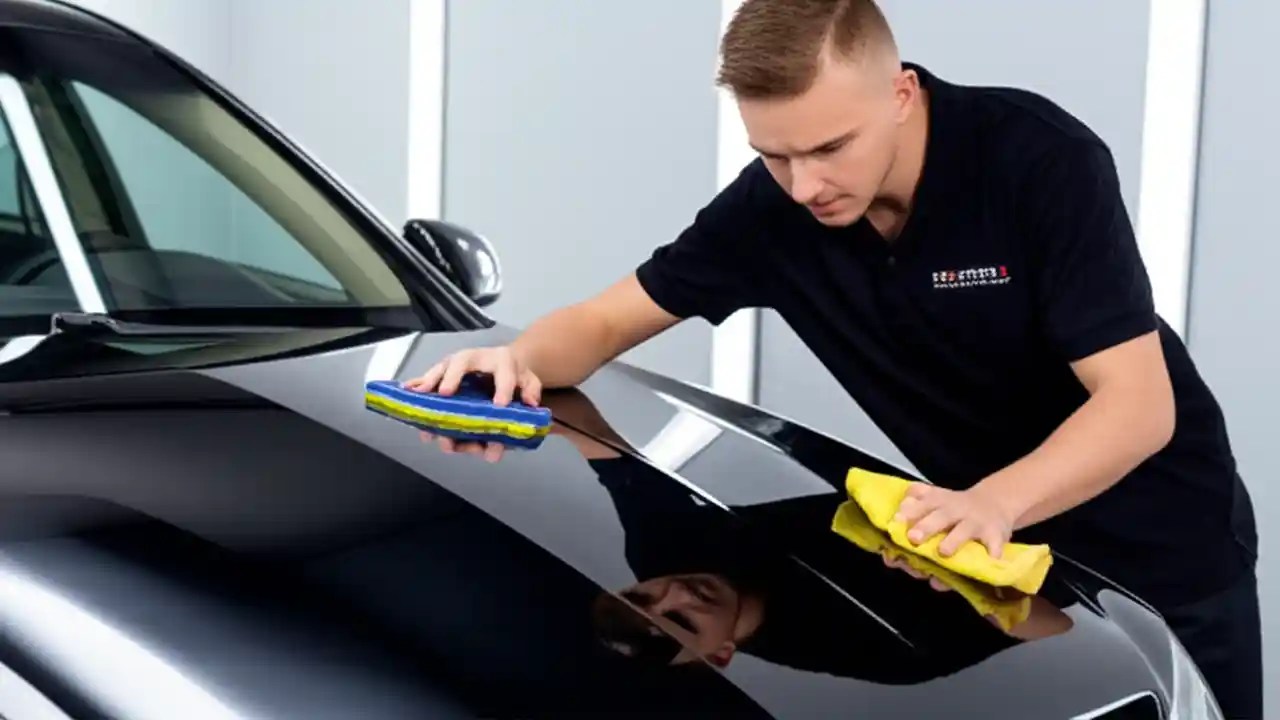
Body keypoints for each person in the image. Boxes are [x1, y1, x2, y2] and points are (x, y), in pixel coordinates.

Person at [407, 0, 1260, 715]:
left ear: (900, 92)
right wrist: (514, 360)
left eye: (828, 148)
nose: (804, 185)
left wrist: (993, 504)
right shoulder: (772, 210)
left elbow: (1139, 407)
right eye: (773, 155)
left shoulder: (1038, 160)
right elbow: (601, 322)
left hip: (1161, 544)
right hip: (978, 557)